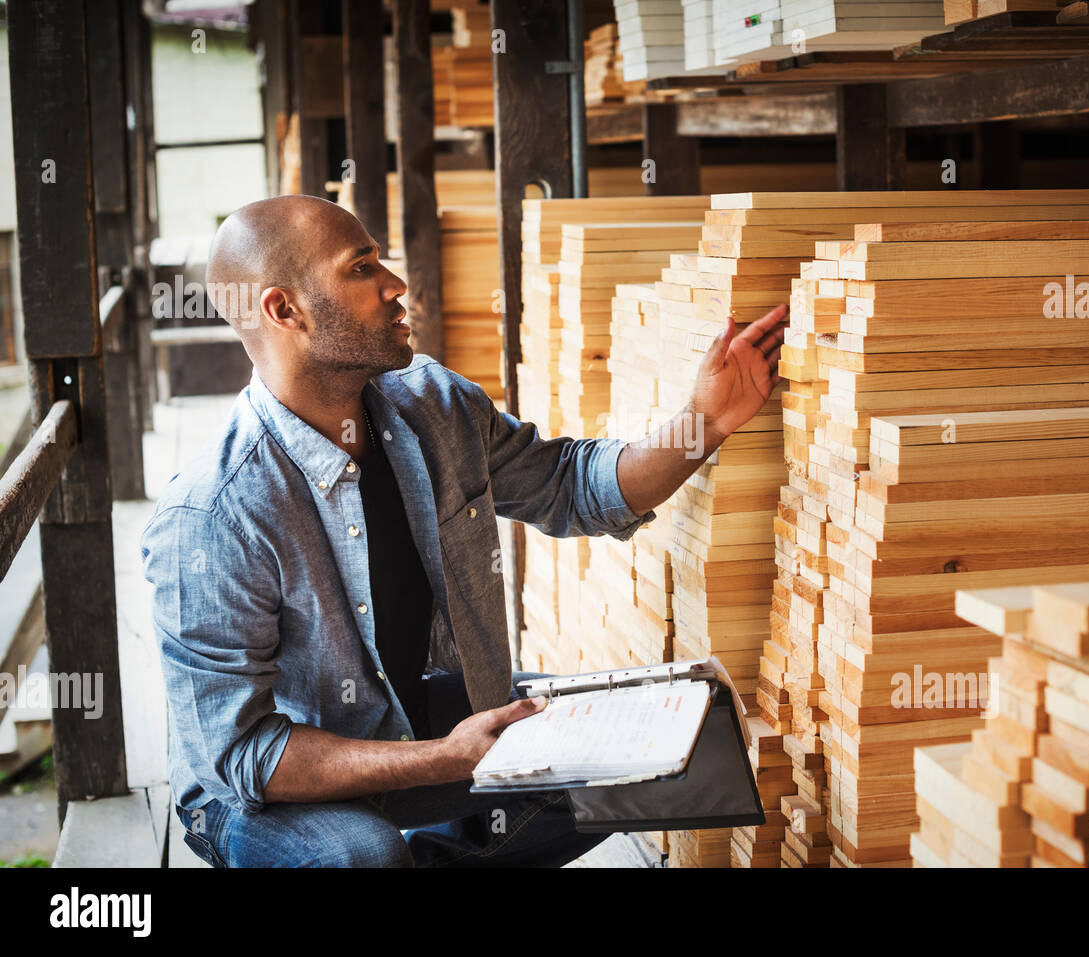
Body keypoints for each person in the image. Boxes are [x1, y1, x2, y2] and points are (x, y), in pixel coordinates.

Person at [140, 194, 788, 867]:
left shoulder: (433, 405)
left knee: (675, 742)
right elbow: (245, 753)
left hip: (410, 708)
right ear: (283, 310)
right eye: (361, 269)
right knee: (363, 856)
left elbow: (570, 484)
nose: (395, 286)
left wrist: (705, 421)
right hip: (264, 791)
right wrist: (445, 758)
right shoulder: (212, 514)